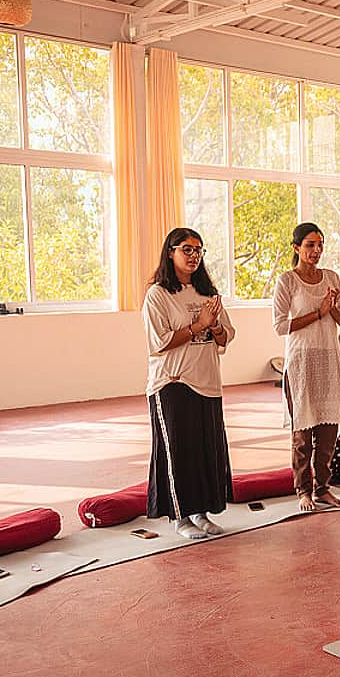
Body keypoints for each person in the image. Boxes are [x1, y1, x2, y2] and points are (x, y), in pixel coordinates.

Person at [143, 228, 236, 539]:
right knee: (179, 452)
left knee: (205, 451)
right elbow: (160, 341)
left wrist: (217, 327)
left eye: (199, 250)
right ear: (171, 252)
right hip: (173, 382)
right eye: (187, 249)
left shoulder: (207, 292)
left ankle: (201, 512)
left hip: (207, 381)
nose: (194, 255)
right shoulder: (158, 294)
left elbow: (225, 336)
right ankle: (180, 517)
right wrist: (199, 325)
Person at [272, 222, 340, 512]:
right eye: (309, 245)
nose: (316, 251)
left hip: (329, 359)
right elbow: (281, 326)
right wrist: (318, 312)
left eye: (319, 245)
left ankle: (323, 488)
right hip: (301, 362)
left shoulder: (331, 277)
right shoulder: (287, 281)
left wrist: (333, 307)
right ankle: (303, 490)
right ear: (296, 248)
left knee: (328, 431)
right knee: (302, 434)